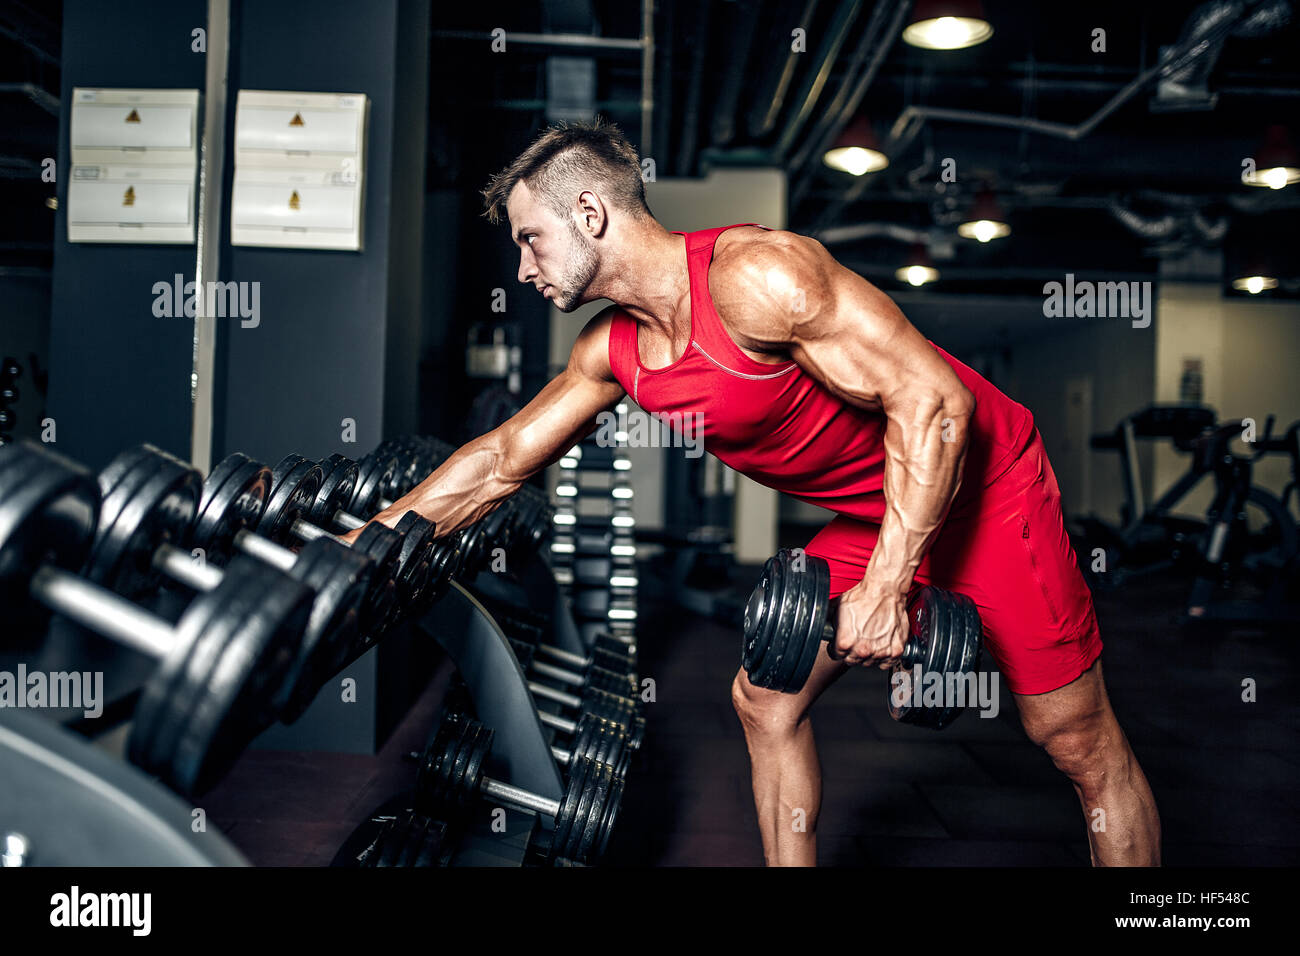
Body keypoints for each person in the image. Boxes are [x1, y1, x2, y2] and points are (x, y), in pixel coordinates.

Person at [347, 118, 1160, 867]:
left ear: (589, 212)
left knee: (1074, 739)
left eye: (531, 238)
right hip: (878, 509)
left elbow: (936, 404)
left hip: (988, 485)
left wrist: (887, 587)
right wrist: (363, 546)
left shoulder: (759, 277)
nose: (522, 266)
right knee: (766, 700)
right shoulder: (614, 350)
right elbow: (501, 459)